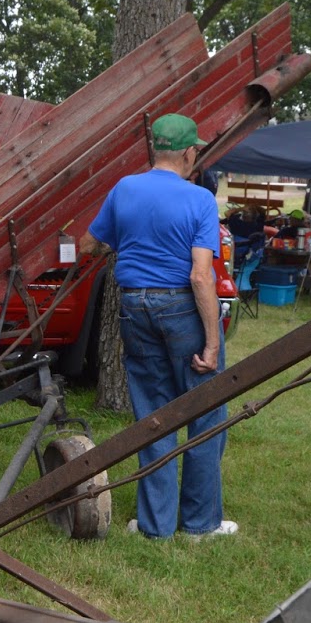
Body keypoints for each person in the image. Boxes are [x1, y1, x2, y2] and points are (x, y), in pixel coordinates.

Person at [80, 113, 234, 540]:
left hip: (134, 306)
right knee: (205, 411)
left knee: (153, 414)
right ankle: (200, 524)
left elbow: (89, 244)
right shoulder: (200, 199)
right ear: (188, 153)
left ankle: (155, 526)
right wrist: (212, 341)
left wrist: (128, 241)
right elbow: (201, 276)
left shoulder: (124, 189)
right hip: (181, 308)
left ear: (154, 150)